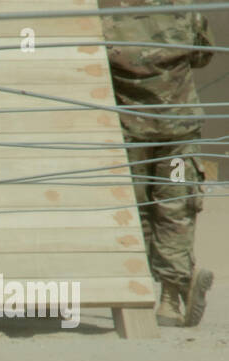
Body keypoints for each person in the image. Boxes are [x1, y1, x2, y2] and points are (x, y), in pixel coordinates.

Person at [103, 0, 217, 326]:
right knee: (175, 205)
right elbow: (202, 56)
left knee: (135, 209)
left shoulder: (106, 18)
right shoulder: (185, 11)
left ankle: (144, 292)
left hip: (131, 135)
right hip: (177, 136)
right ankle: (172, 295)